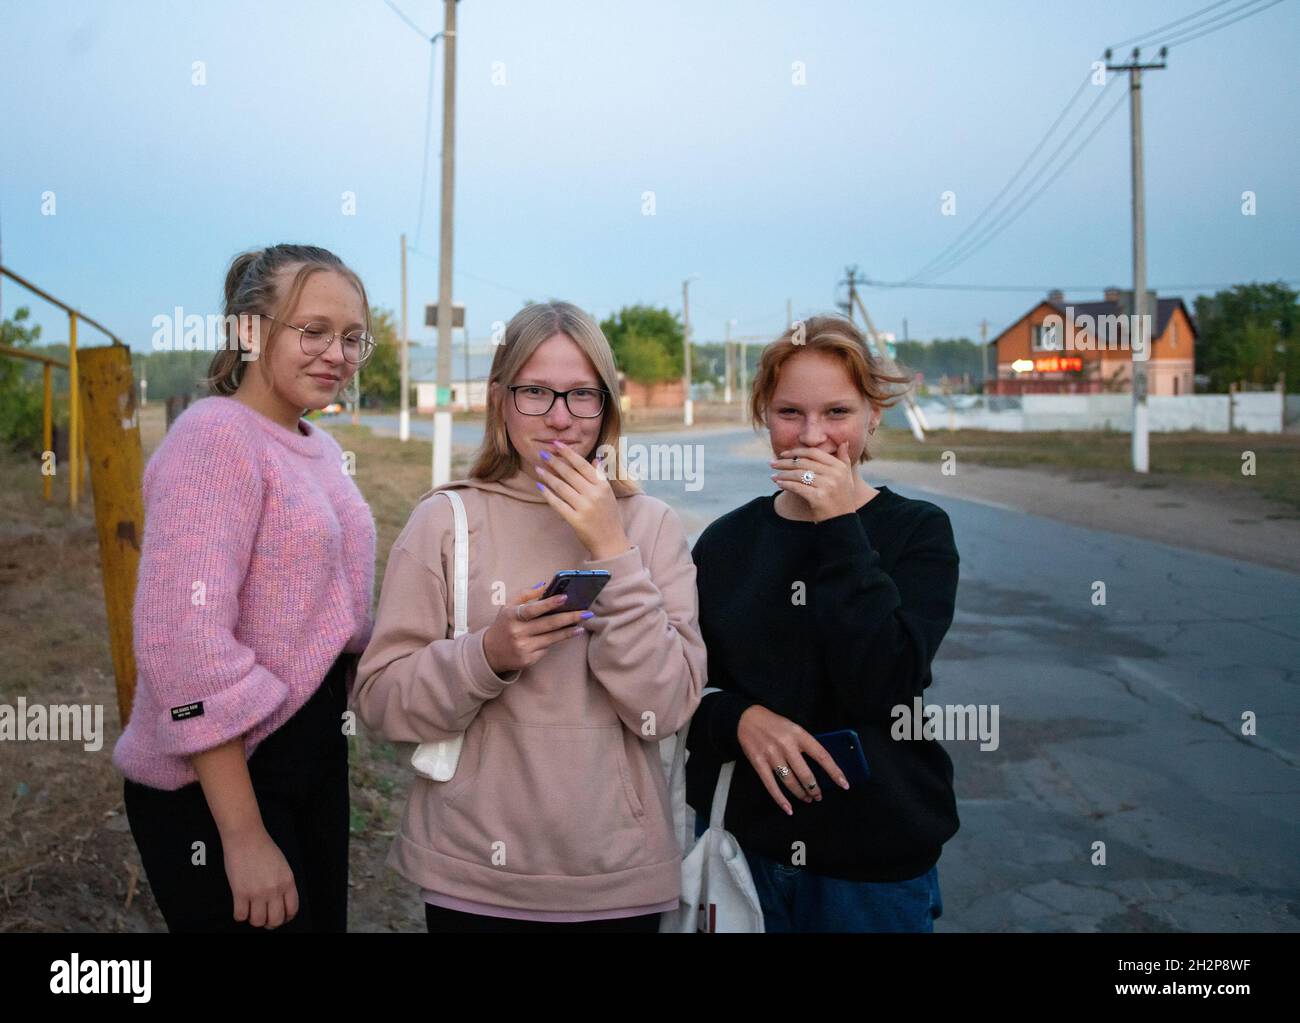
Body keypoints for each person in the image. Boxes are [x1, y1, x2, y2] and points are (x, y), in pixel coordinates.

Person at [352, 300, 706, 933]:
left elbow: (669, 705)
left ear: (608, 406)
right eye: (536, 392)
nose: (561, 419)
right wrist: (487, 656)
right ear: (499, 400)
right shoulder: (445, 521)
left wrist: (611, 549)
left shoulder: (650, 527)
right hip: (471, 876)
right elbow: (380, 702)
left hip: (617, 878)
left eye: (581, 396)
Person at [113, 244, 377, 932]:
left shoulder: (312, 441)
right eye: (312, 330)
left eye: (352, 337)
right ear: (249, 331)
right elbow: (183, 645)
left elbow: (333, 606)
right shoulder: (214, 437)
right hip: (223, 781)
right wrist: (242, 834)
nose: (337, 353)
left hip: (309, 755)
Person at [685, 314, 960, 932]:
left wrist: (838, 524)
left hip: (871, 866)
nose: (813, 437)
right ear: (764, 415)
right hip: (743, 853)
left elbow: (885, 684)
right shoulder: (727, 542)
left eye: (837, 412)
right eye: (790, 414)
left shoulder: (916, 532)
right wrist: (737, 718)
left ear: (873, 415)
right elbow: (676, 689)